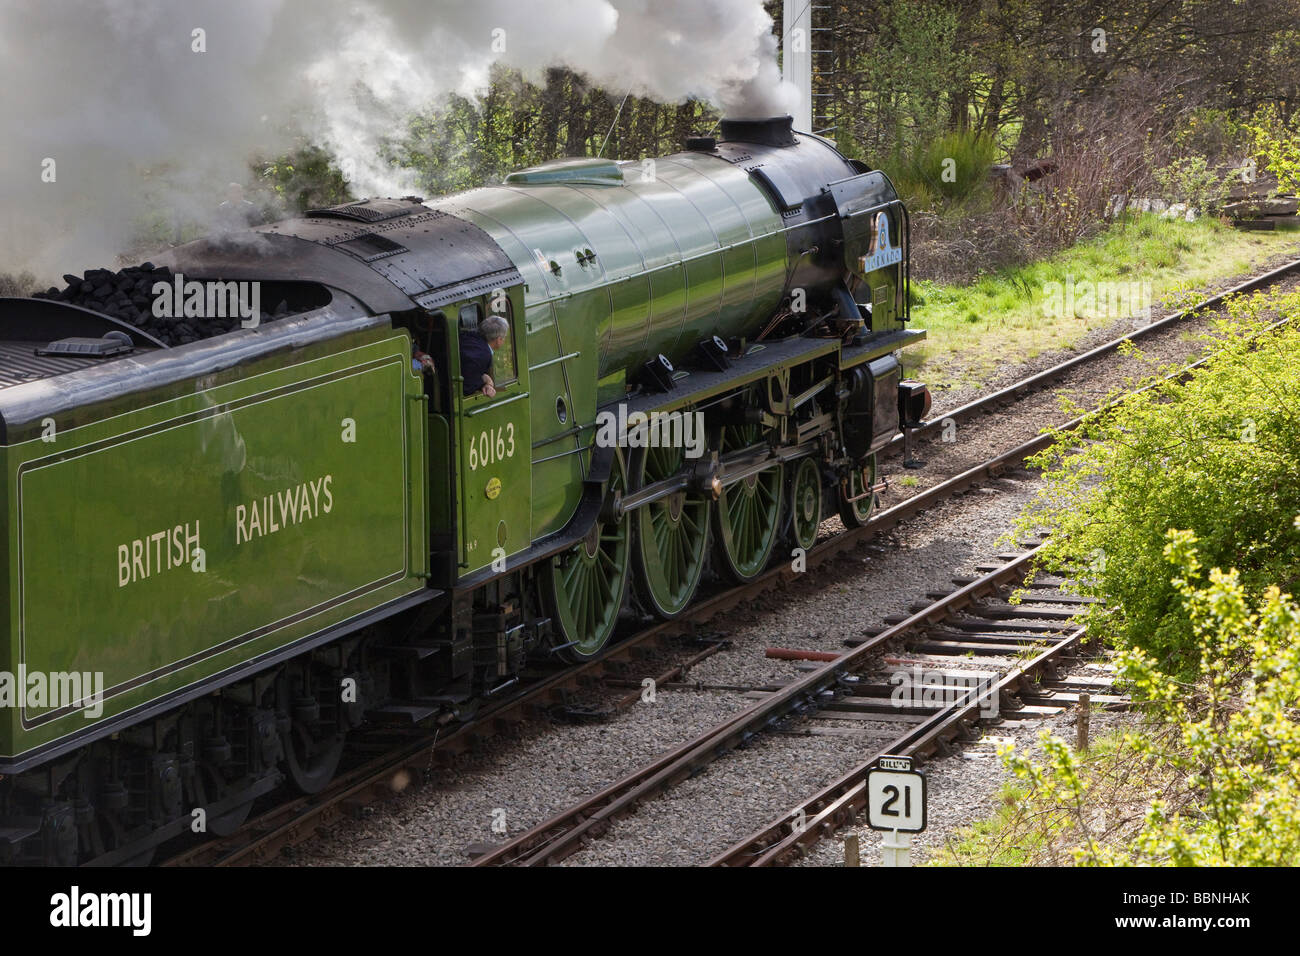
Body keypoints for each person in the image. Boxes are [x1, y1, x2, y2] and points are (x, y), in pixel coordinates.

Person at [460, 314, 509, 397]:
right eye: (504, 337)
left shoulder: (470, 336)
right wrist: (485, 382)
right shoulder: (483, 355)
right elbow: (468, 385)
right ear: (498, 340)